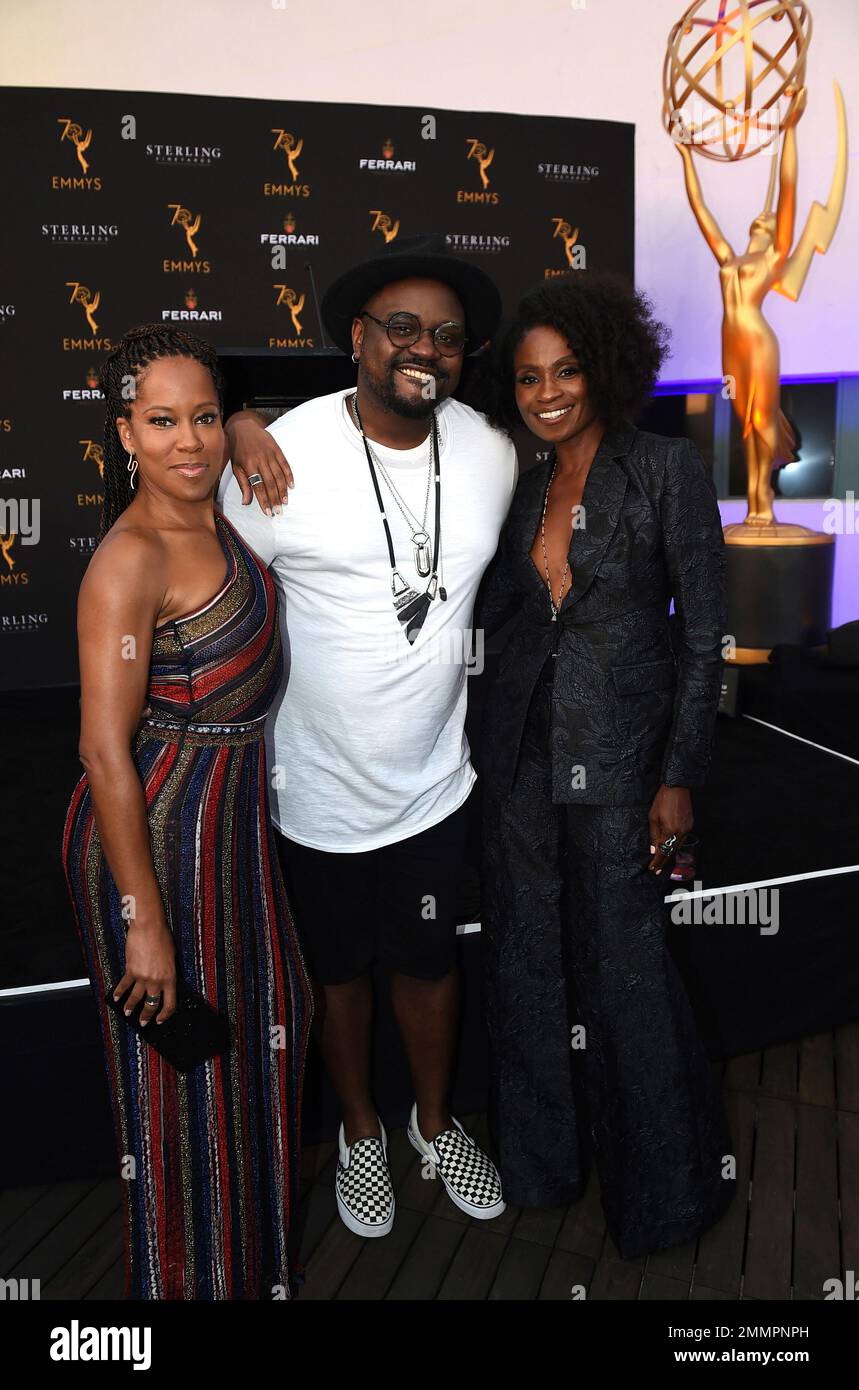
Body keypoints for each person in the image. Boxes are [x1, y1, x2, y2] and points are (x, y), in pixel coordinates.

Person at [217, 235, 514, 1236]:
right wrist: (234, 424)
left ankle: (433, 1123)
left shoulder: (490, 452)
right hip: (314, 792)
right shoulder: (282, 456)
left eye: (446, 335)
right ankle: (357, 1132)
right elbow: (209, 587)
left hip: (434, 785)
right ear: (357, 338)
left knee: (429, 967)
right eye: (401, 328)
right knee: (337, 980)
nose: (422, 347)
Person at [476, 273, 736, 1259]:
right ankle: (541, 1168)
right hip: (517, 758)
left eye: (568, 371)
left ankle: (665, 1192)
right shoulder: (519, 478)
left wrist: (679, 776)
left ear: (606, 367)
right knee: (527, 961)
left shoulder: (665, 470)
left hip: (624, 763)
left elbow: (706, 640)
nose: (548, 391)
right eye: (531, 375)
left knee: (625, 965)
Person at [62, 325, 313, 1299]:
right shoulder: (132, 558)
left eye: (203, 416)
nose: (188, 440)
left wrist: (246, 422)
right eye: (162, 420)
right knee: (177, 1090)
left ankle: (249, 1269)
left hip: (233, 829)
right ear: (125, 432)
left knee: (261, 1032)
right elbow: (100, 752)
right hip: (157, 838)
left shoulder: (219, 511)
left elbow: (247, 437)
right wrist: (145, 924)